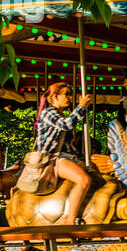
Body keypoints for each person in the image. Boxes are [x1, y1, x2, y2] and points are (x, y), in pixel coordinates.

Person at [35, 82, 93, 225]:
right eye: (66, 94)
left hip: (62, 156)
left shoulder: (58, 114)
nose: (69, 97)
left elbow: (68, 145)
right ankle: (70, 221)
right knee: (83, 180)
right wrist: (82, 107)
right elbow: (66, 124)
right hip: (51, 159)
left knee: (93, 170)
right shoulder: (49, 113)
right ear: (55, 96)